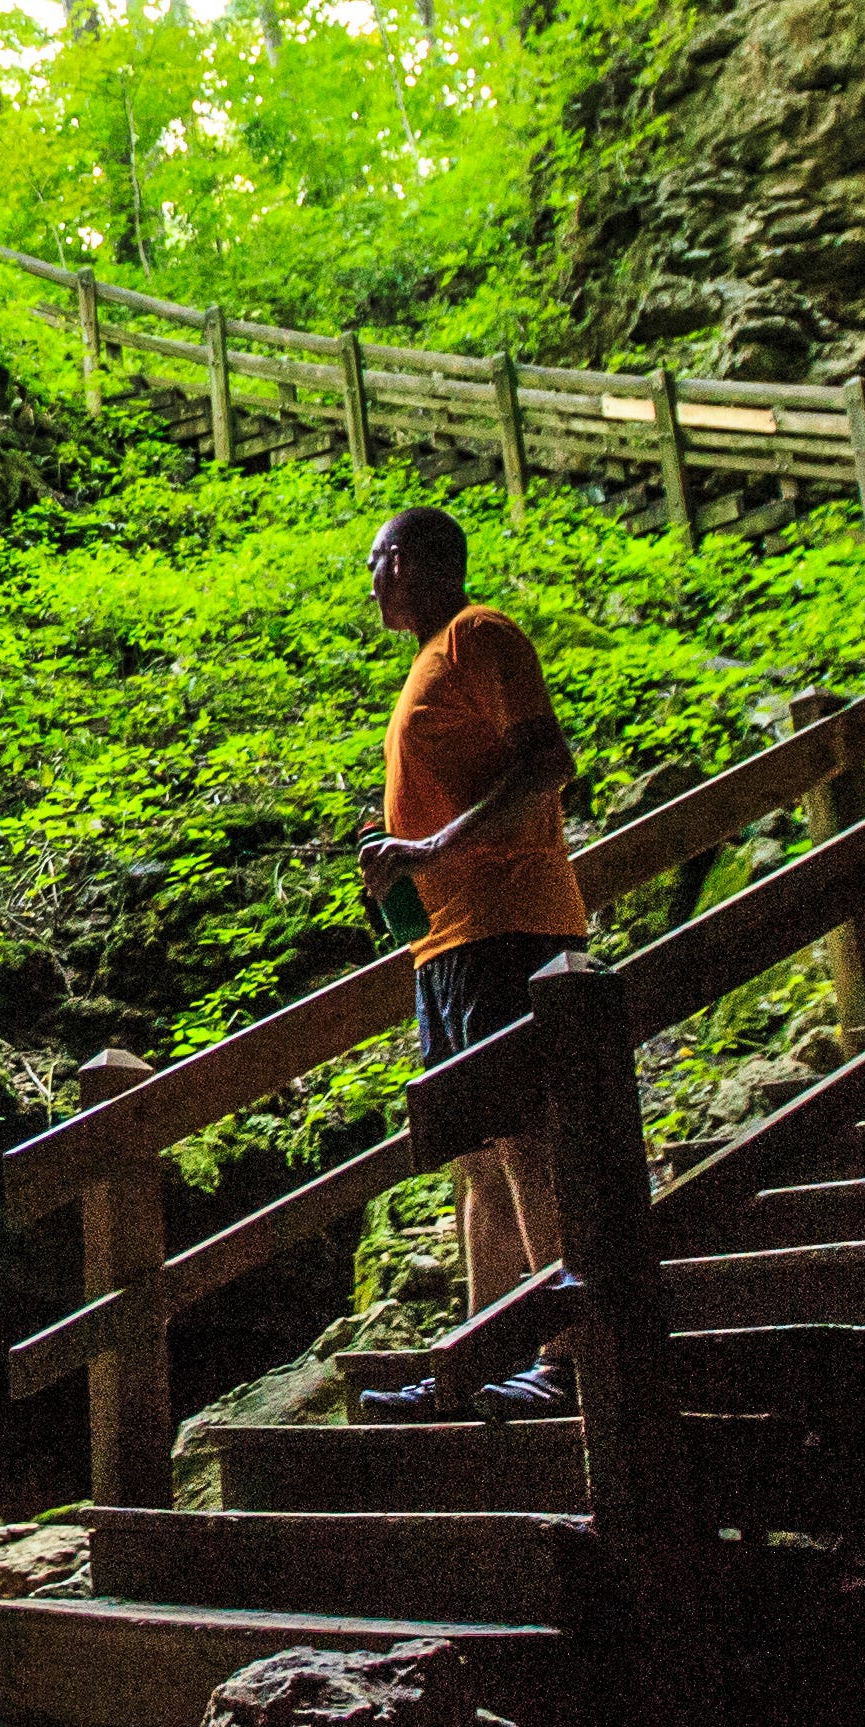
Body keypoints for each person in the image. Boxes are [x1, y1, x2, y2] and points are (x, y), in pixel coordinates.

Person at [348, 506, 589, 1419]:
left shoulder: (478, 635)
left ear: (402, 561)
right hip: (446, 943)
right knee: (476, 1158)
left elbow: (545, 764)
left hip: (510, 925)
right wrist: (399, 847)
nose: (370, 581)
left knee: (526, 1138)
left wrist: (433, 847)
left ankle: (568, 1358)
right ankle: (483, 1364)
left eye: (375, 563)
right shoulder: (426, 664)